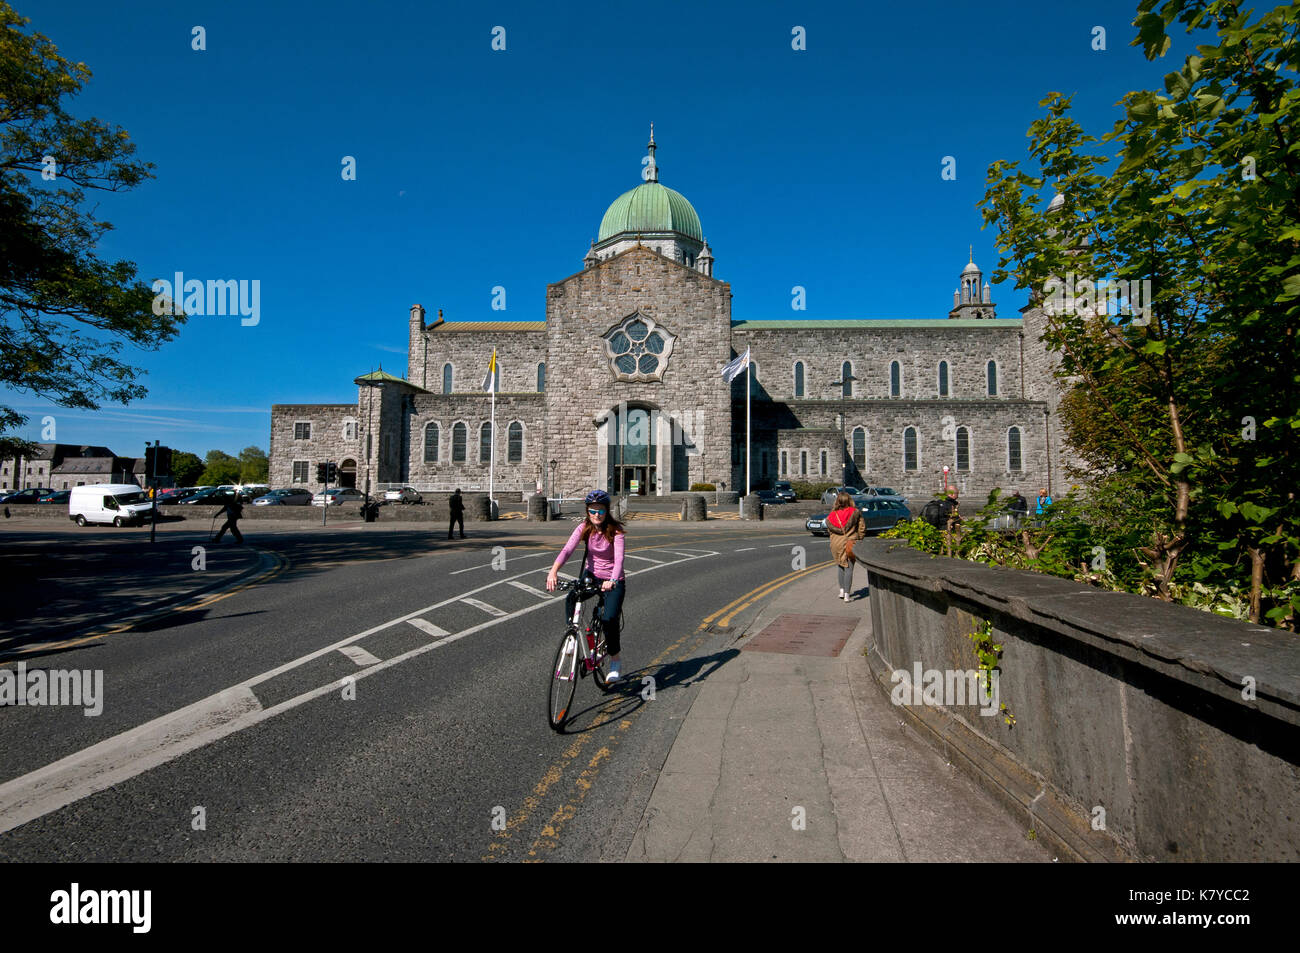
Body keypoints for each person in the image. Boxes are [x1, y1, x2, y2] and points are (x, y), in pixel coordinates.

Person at [546, 490, 627, 681]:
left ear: (607, 511)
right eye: (592, 511)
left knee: (609, 620)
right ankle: (572, 637)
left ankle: (615, 661)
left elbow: (619, 559)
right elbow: (567, 549)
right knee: (571, 598)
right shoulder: (584, 528)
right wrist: (553, 571)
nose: (596, 515)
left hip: (613, 581)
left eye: (600, 511)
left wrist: (613, 581)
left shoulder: (616, 531)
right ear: (587, 511)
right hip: (591, 575)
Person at [825, 491, 866, 602]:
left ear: (838, 501)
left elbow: (829, 529)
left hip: (835, 543)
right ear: (849, 500)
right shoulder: (855, 512)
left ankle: (842, 590)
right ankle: (847, 595)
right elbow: (861, 527)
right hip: (850, 542)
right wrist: (860, 538)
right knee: (849, 568)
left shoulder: (832, 514)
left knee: (840, 565)